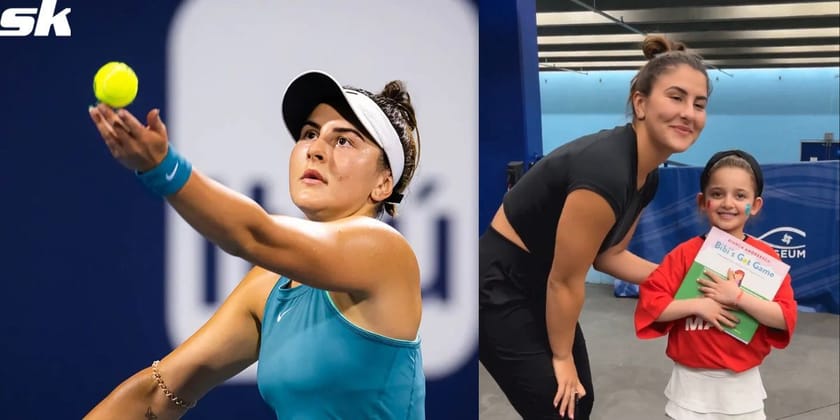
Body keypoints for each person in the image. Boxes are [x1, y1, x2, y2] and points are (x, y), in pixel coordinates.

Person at [85, 70, 424, 419]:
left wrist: (163, 168)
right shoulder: (266, 287)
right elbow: (159, 393)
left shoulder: (384, 252)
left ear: (383, 184)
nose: (315, 150)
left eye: (344, 141)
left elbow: (254, 234)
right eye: (309, 134)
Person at [478, 34, 711, 420]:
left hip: (543, 279)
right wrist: (561, 356)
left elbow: (609, 255)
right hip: (498, 281)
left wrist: (680, 277)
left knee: (578, 403)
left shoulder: (646, 176)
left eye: (699, 104)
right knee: (558, 408)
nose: (689, 112)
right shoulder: (606, 171)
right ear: (640, 103)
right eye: (676, 97)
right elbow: (565, 281)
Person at [634, 150, 797, 419]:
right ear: (703, 201)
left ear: (755, 205)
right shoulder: (683, 255)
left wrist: (739, 297)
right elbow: (653, 307)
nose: (728, 203)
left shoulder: (767, 260)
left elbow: (784, 318)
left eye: (740, 195)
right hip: (688, 388)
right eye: (717, 194)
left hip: (743, 390)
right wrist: (699, 305)